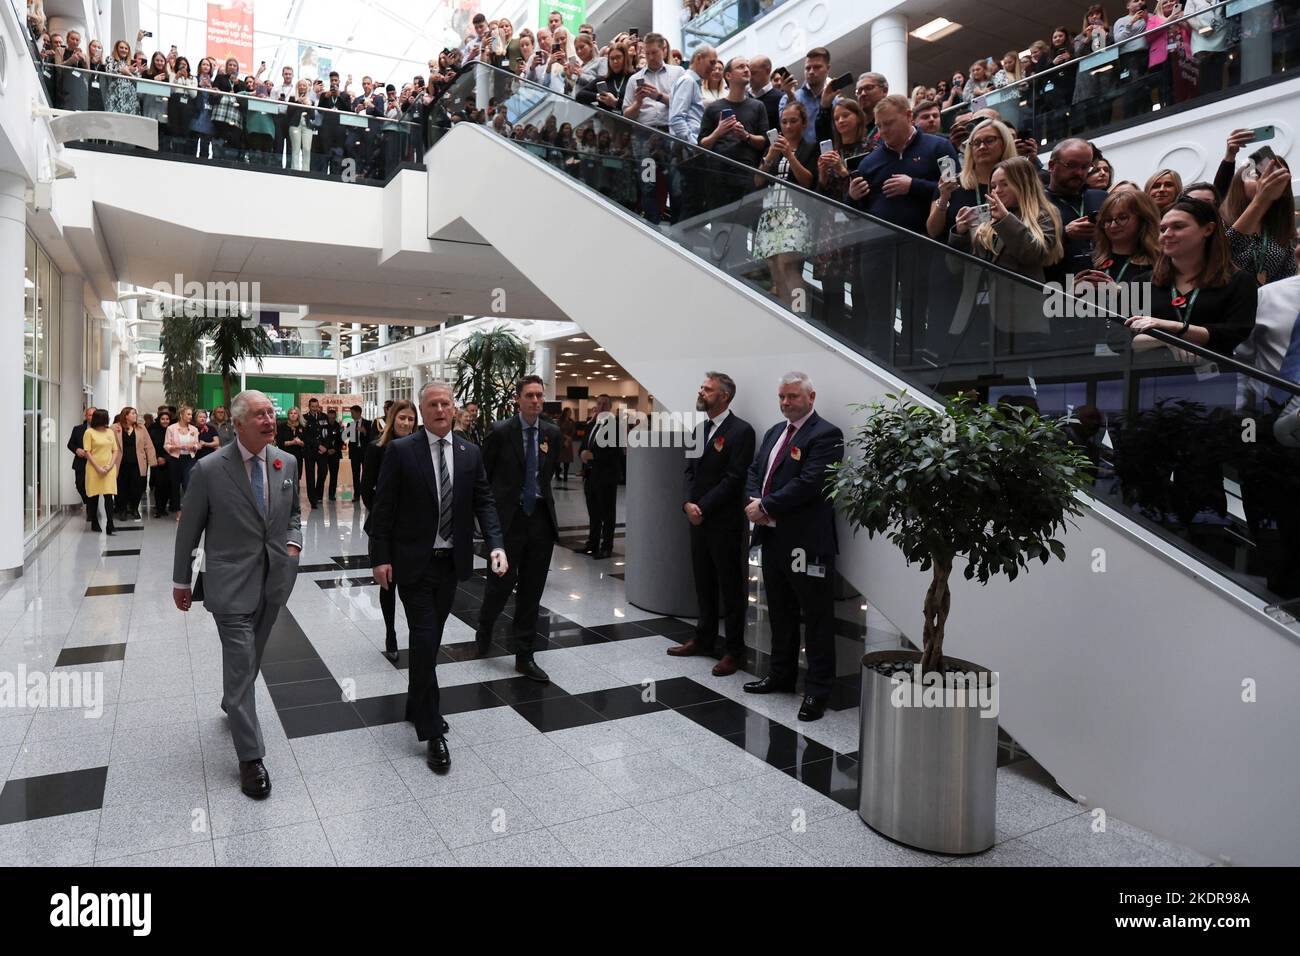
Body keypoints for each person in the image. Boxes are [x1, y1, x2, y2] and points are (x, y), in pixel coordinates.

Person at [369, 382, 508, 773]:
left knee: (431, 640)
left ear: (454, 408)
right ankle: (432, 731)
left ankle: (416, 703)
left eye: (446, 403)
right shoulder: (401, 451)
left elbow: (485, 501)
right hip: (413, 563)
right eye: (433, 404)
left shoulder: (469, 452)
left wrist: (496, 544)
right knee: (425, 637)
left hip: (451, 563)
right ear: (423, 410)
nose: (441, 410)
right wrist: (379, 557)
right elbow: (383, 508)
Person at [172, 391, 302, 800]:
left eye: (272, 413)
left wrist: (294, 545)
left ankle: (233, 701)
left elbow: (294, 514)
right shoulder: (210, 469)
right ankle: (251, 758)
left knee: (251, 661)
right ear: (239, 423)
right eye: (261, 414)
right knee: (242, 661)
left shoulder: (287, 462)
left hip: (275, 579)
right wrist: (180, 581)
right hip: (229, 585)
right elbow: (188, 529)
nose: (270, 420)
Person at [743, 372, 844, 722]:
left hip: (807, 544)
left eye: (793, 397)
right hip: (772, 539)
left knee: (816, 619)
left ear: (811, 397)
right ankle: (781, 675)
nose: (786, 403)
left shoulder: (827, 435)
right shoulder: (774, 432)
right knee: (780, 613)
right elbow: (755, 471)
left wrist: (766, 507)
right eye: (782, 397)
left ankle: (817, 691)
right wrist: (755, 498)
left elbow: (811, 483)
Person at [473, 376, 561, 682]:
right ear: (518, 399)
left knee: (531, 593)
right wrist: (488, 522)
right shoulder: (500, 432)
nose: (536, 401)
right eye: (530, 396)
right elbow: (482, 477)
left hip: (539, 522)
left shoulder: (552, 432)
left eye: (540, 395)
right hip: (508, 523)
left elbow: (545, 477)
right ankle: (485, 627)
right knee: (499, 585)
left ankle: (525, 655)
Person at [668, 372, 756, 676]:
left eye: (707, 389)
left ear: (724, 396)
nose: (701, 391)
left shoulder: (742, 431)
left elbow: (735, 479)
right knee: (703, 582)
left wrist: (702, 506)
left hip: (725, 523)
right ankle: (704, 639)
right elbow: (689, 473)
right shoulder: (698, 429)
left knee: (731, 588)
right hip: (698, 521)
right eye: (702, 387)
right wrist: (686, 504)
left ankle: (735, 650)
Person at [1125, 198, 1259, 356]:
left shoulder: (1240, 281)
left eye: (1178, 226)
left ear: (1208, 229)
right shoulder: (1141, 282)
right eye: (1162, 229)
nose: (1166, 234)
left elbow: (1235, 333)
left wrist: (1172, 327)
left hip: (1217, 377)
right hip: (1147, 377)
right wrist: (1169, 339)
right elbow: (1120, 339)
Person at [361, 399, 417, 662]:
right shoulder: (377, 448)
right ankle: (390, 633)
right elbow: (366, 489)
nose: (406, 423)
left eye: (410, 419)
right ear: (392, 419)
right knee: (388, 584)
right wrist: (383, 517)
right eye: (402, 418)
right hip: (385, 528)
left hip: (412, 527)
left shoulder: (420, 449)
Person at [949, 156, 1064, 282]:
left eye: (1005, 184)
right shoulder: (985, 215)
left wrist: (1005, 219)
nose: (997, 191)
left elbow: (1032, 256)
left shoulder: (1044, 214)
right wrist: (960, 234)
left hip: (1018, 299)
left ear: (1024, 184)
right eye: (993, 186)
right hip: (976, 299)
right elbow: (955, 267)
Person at [753, 102, 817, 308]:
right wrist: (770, 156)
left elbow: (808, 181)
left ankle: (800, 314)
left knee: (788, 266)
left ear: (804, 123)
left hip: (796, 213)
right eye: (784, 122)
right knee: (774, 267)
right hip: (771, 212)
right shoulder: (774, 149)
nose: (788, 126)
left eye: (793, 121)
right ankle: (785, 311)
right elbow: (758, 181)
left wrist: (791, 155)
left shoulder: (811, 148)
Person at [1220, 156, 1297, 285]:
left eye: (1274, 177)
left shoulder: (1277, 227)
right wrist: (1261, 199)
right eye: (1257, 175)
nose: (1264, 182)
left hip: (1268, 301)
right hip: (1231, 301)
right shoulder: (1219, 221)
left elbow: (1288, 275)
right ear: (1240, 180)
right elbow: (1222, 253)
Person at [1043, 138, 1109, 285]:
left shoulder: (1102, 198)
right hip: (1055, 291)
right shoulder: (1036, 203)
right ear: (1052, 166)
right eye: (1071, 165)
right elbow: (1027, 248)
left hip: (1104, 288)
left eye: (1085, 167)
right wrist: (1064, 234)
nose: (1079, 172)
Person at [579, 394, 621, 558]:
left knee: (607, 514)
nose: (601, 407)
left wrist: (594, 456)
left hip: (606, 476)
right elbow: (584, 446)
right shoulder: (592, 425)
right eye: (599, 403)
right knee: (593, 513)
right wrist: (582, 453)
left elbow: (615, 452)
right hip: (590, 476)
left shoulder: (615, 426)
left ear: (609, 407)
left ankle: (606, 547)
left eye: (604, 404)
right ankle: (592, 544)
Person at [82, 408, 120, 533]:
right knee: (94, 497)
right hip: (94, 469)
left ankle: (110, 523)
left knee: (109, 496)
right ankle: (94, 521)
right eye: (106, 417)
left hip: (109, 469)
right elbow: (87, 452)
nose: (107, 419)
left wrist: (109, 466)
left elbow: (115, 450)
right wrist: (98, 467)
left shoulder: (110, 432)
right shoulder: (89, 432)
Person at [112, 406, 151, 521]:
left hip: (137, 463)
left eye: (135, 413)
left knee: (137, 487)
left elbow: (148, 444)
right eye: (133, 413)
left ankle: (134, 509)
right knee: (121, 487)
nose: (136, 415)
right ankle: (122, 510)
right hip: (120, 463)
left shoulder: (141, 428)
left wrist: (152, 460)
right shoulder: (115, 428)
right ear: (126, 415)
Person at [164, 405, 200, 520]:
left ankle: (188, 510)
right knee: (175, 485)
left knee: (188, 484)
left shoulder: (194, 429)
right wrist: (177, 446)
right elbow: (166, 445)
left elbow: (197, 444)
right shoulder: (171, 428)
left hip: (189, 459)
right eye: (188, 414)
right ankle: (178, 510)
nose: (190, 416)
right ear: (181, 415)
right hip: (175, 458)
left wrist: (194, 446)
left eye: (191, 414)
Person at [67, 406, 96, 523]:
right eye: (90, 415)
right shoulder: (78, 429)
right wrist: (77, 449)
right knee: (80, 485)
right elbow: (70, 444)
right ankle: (88, 503)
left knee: (93, 487)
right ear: (86, 416)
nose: (92, 417)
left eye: (94, 415)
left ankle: (91, 510)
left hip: (95, 463)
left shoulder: (103, 429)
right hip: (81, 463)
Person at [314, 407, 343, 502]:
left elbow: (340, 440)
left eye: (333, 418)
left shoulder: (338, 426)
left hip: (335, 454)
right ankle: (318, 496)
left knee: (334, 475)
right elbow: (320, 439)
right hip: (323, 454)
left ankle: (331, 495)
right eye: (329, 417)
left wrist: (335, 449)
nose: (331, 419)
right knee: (322, 473)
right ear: (327, 416)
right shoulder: (322, 425)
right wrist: (326, 450)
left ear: (335, 417)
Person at [147, 407, 172, 517]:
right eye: (163, 419)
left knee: (167, 485)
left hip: (170, 461)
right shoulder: (153, 431)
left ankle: (164, 508)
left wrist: (166, 458)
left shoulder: (173, 431)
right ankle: (159, 508)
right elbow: (150, 446)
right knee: (158, 485)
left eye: (167, 419)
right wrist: (158, 458)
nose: (165, 421)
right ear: (159, 419)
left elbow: (174, 446)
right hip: (157, 461)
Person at [302, 398, 326, 506]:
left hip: (322, 451)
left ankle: (318, 494)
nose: (315, 409)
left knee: (323, 472)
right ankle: (313, 499)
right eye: (312, 406)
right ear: (309, 406)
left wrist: (325, 446)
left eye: (316, 406)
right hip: (310, 451)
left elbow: (327, 433)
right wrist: (318, 445)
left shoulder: (323, 417)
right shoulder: (304, 418)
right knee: (310, 475)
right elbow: (305, 436)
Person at [276, 405, 307, 488]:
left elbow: (306, 443)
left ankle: (295, 497)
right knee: (286, 477)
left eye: (295, 413)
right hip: (285, 455)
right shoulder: (282, 426)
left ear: (298, 415)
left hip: (298, 456)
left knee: (296, 478)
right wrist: (292, 442)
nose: (293, 415)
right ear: (288, 414)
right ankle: (286, 496)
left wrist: (300, 442)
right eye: (291, 413)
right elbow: (280, 443)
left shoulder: (302, 427)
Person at [346, 404, 371, 502]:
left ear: (358, 413)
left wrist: (365, 432)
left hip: (365, 453)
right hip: (355, 453)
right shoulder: (350, 424)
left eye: (352, 413)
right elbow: (346, 436)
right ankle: (356, 495)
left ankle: (366, 494)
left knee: (366, 474)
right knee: (355, 474)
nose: (351, 415)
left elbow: (372, 438)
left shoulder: (368, 423)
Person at [557, 406, 576, 481]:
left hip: (568, 442)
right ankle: (558, 474)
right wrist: (565, 437)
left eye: (570, 412)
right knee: (558, 459)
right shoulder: (560, 421)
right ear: (565, 412)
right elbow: (558, 430)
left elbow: (573, 431)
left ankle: (565, 476)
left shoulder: (571, 421)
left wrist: (569, 439)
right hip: (561, 441)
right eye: (569, 412)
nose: (570, 413)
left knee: (567, 460)